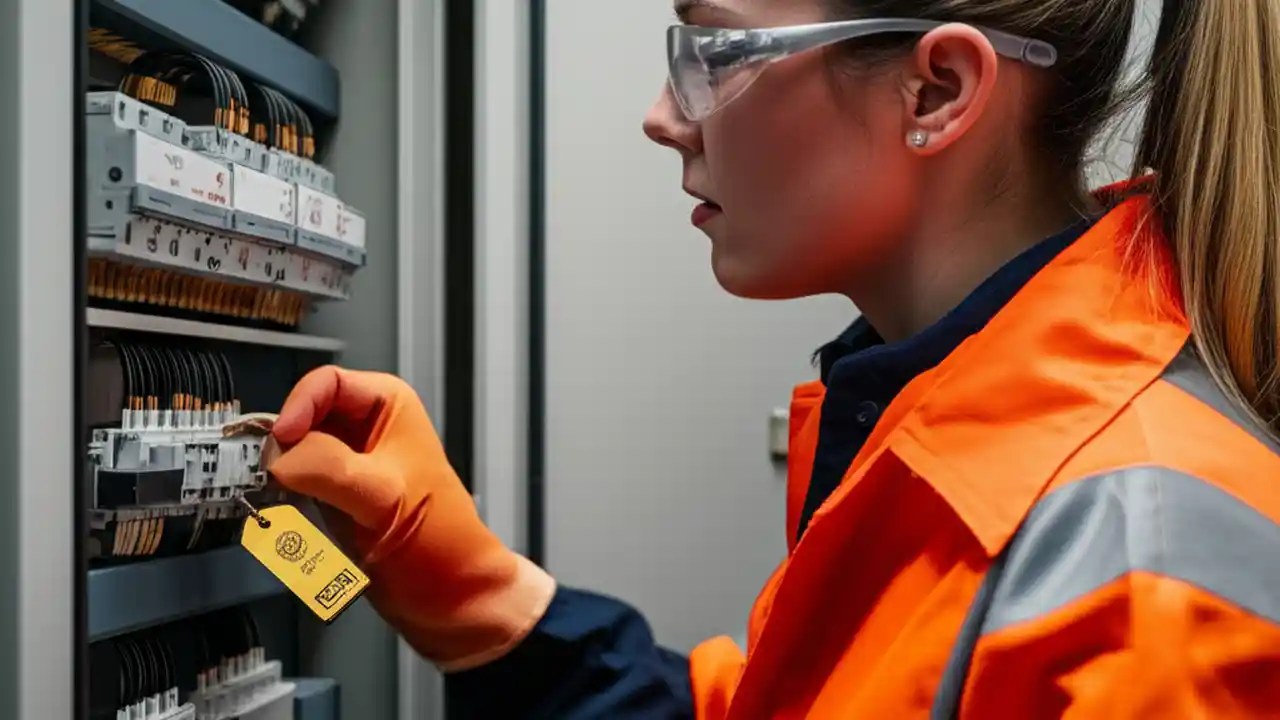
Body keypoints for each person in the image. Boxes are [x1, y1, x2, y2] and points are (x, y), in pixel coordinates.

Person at [266, 0, 1280, 716]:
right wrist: (481, 600)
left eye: (715, 51)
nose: (662, 118)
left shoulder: (1138, 575)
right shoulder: (948, 427)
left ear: (936, 91)